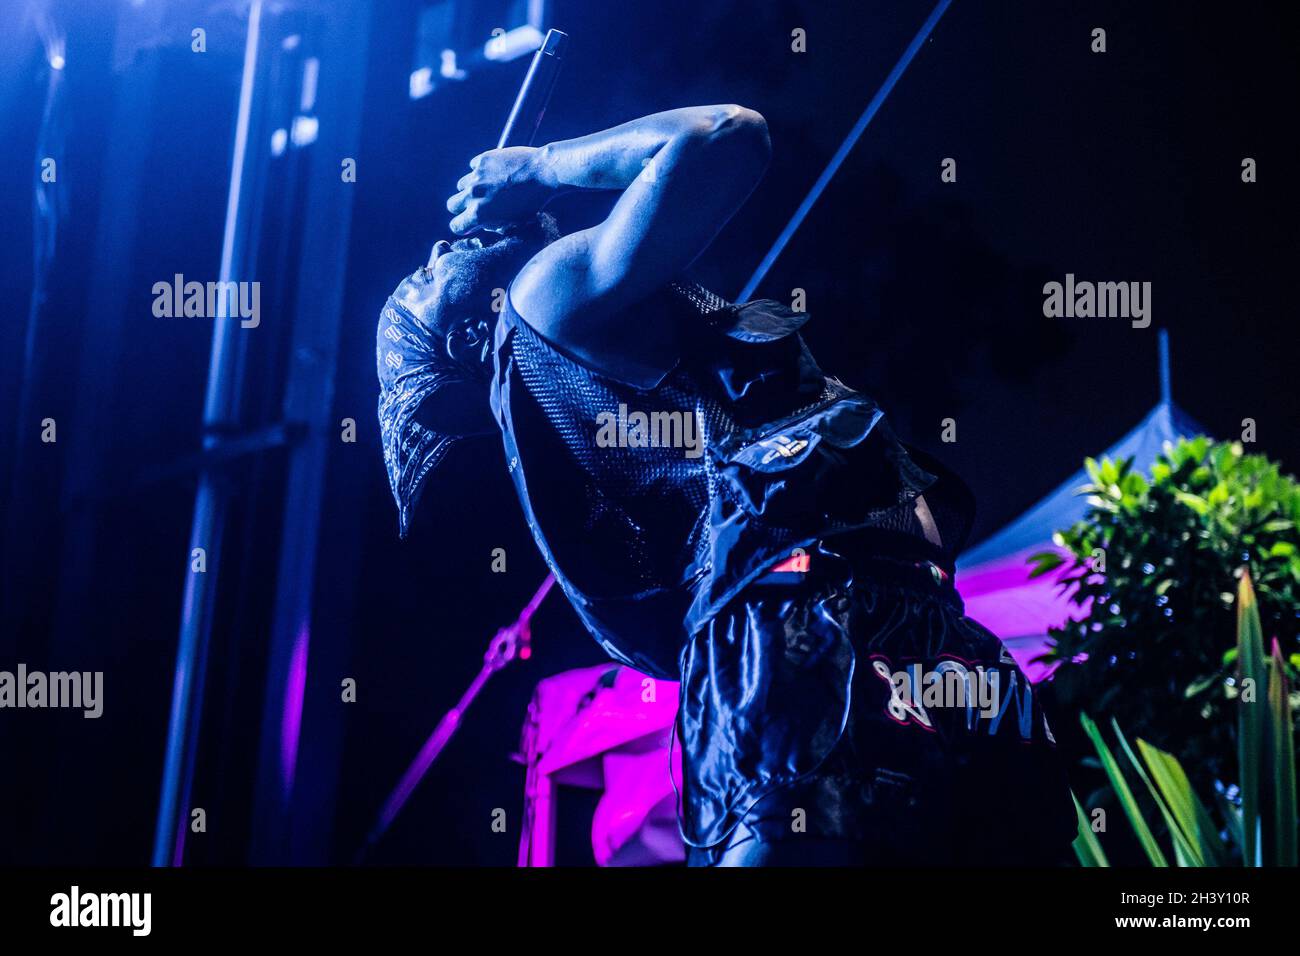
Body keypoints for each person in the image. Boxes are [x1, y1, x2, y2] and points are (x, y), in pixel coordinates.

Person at [376, 105, 1076, 865]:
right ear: (467, 338)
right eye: (426, 275)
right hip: (883, 627)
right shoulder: (542, 294)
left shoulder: (606, 324)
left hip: (831, 625)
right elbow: (722, 136)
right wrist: (540, 164)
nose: (443, 245)